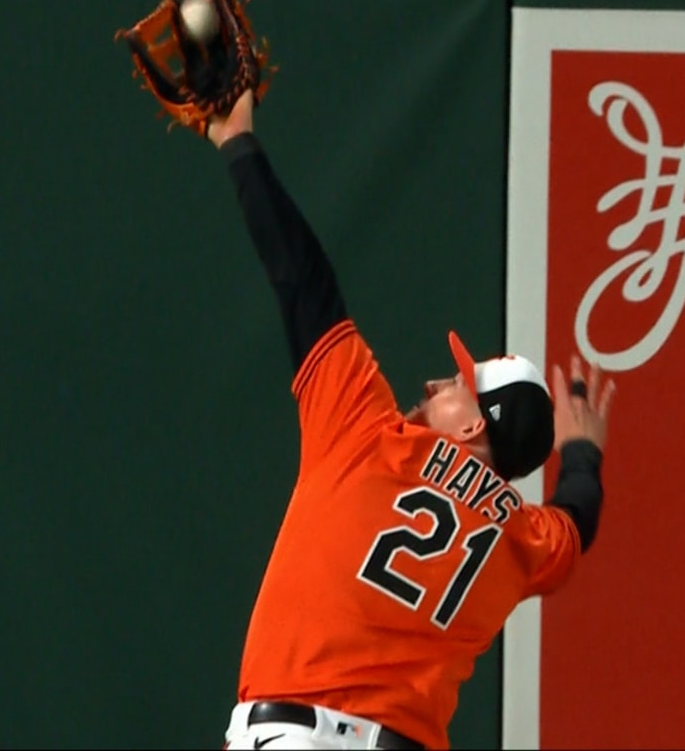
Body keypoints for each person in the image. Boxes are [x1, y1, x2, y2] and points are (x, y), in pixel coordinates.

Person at [202, 90, 616, 750]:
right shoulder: (522, 539)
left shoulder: (370, 437)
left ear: (473, 427)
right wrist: (584, 458)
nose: (433, 383)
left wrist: (237, 141)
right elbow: (577, 520)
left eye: (457, 384)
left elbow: (303, 280)